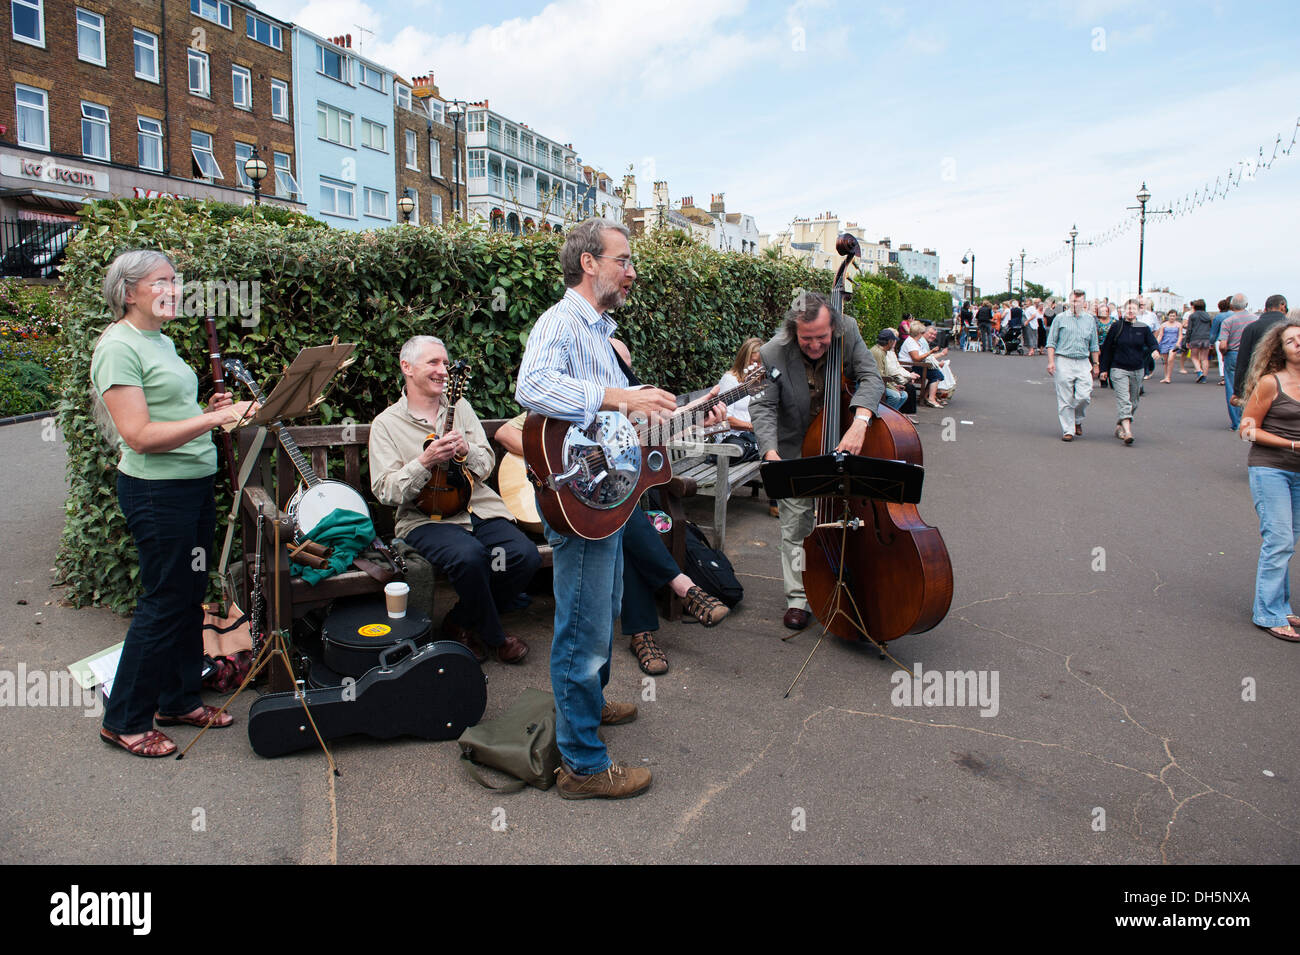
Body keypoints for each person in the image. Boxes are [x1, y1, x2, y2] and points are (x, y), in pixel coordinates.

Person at [515, 217, 724, 799]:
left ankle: (589, 704)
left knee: (599, 607)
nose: (631, 272)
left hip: (602, 492)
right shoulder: (562, 321)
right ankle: (582, 765)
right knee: (581, 624)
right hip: (577, 497)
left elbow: (613, 420)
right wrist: (617, 394)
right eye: (623, 260)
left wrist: (675, 412)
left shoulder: (601, 331)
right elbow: (530, 388)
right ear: (589, 263)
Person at [91, 250, 258, 757]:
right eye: (161, 282)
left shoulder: (158, 341)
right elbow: (139, 435)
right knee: (164, 600)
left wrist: (204, 410)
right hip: (156, 491)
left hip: (190, 485)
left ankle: (178, 699)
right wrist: (211, 423)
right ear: (129, 291)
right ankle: (124, 719)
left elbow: (169, 412)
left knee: (189, 595)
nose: (175, 289)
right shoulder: (118, 347)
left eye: (176, 281)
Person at [493, 402, 728, 679]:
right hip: (560, 503)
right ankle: (672, 595)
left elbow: (659, 428)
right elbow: (504, 433)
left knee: (620, 524)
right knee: (622, 522)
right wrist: (559, 461)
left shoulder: (622, 417)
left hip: (605, 508)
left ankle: (644, 632)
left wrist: (697, 419)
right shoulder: (563, 407)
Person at [369, 335, 539, 665]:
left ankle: (460, 621)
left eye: (446, 363)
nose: (443, 370)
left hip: (477, 507)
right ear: (407, 367)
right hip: (426, 519)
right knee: (470, 556)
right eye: (433, 362)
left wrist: (467, 450)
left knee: (524, 555)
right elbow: (385, 490)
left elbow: (487, 463)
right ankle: (496, 637)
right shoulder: (386, 424)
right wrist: (424, 461)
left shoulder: (459, 408)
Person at [749, 291, 884, 632]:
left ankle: (854, 586)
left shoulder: (847, 331)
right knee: (796, 528)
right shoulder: (772, 352)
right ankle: (798, 598)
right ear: (794, 331)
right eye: (806, 339)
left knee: (855, 524)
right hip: (796, 449)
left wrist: (860, 422)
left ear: (833, 327)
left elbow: (871, 377)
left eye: (822, 338)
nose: (814, 345)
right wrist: (770, 451)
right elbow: (763, 406)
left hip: (846, 444)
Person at [1239, 318, 1300, 642]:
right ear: (1281, 350)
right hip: (1270, 468)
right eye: (1292, 341)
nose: (1299, 344)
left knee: (1288, 540)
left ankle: (1280, 604)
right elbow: (1247, 429)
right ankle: (1268, 613)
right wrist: (1290, 444)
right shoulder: (1270, 383)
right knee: (1279, 540)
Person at [1099, 299, 1159, 444]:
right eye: (1128, 308)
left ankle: (1120, 425)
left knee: (1134, 402)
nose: (1131, 311)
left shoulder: (1143, 327)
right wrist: (1103, 369)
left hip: (1137, 369)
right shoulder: (1117, 326)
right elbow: (1106, 348)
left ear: (1138, 311)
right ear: (1123, 310)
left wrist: (1155, 351)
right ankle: (1128, 432)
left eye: (1133, 309)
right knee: (1124, 401)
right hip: (1118, 368)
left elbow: (1152, 342)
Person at [1046, 289, 1100, 442]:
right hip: (1064, 360)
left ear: (1084, 303)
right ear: (1069, 302)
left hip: (1083, 361)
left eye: (1078, 301)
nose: (1075, 304)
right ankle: (1068, 430)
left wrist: (1096, 364)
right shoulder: (1060, 318)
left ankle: (1077, 420)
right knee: (1065, 398)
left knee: (1084, 396)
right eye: (1073, 301)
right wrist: (1051, 362)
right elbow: (1051, 342)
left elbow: (1094, 344)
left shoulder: (1089, 320)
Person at [1232, 294, 1290, 404]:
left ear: (1265, 309)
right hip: (1286, 383)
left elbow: (1242, 362)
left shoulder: (1251, 328)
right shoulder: (1291, 328)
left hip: (1257, 382)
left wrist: (1238, 392)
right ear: (1283, 306)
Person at [1217, 293, 1256, 430]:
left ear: (1232, 305)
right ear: (1246, 304)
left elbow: (1222, 344)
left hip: (1233, 354)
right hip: (1251, 354)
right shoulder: (1255, 320)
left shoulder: (1228, 321)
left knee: (1232, 387)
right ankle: (1250, 419)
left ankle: (1236, 422)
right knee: (1250, 386)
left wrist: (1223, 354)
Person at [870, 328, 919, 411]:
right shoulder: (878, 353)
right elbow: (880, 376)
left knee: (904, 395)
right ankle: (883, 415)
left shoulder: (883, 351)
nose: (895, 342)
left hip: (882, 383)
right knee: (895, 396)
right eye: (894, 340)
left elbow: (885, 374)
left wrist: (894, 386)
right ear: (889, 342)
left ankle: (891, 416)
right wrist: (894, 388)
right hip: (873, 384)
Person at [901, 323, 949, 408]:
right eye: (922, 333)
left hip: (915, 365)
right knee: (936, 374)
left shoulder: (915, 341)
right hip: (909, 367)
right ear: (919, 333)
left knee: (936, 373)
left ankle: (927, 397)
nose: (923, 334)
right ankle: (929, 398)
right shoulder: (911, 342)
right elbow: (916, 358)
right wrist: (931, 352)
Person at [1184, 299, 1214, 383]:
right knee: (1204, 358)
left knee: (1194, 357)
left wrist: (1187, 340)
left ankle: (1199, 371)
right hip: (1206, 338)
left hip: (1195, 338)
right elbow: (1210, 328)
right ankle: (1204, 377)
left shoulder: (1192, 316)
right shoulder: (1208, 316)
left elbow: (1189, 329)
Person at [1156, 310, 1184, 383]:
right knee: (1165, 362)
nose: (1172, 317)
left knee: (1170, 359)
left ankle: (1168, 377)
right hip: (1165, 343)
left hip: (1174, 344)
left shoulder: (1179, 325)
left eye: (1174, 316)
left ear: (1176, 316)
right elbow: (1160, 335)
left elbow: (1180, 335)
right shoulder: (1164, 325)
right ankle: (1166, 376)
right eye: (1171, 316)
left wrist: (1178, 343)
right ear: (1168, 316)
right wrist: (1156, 343)